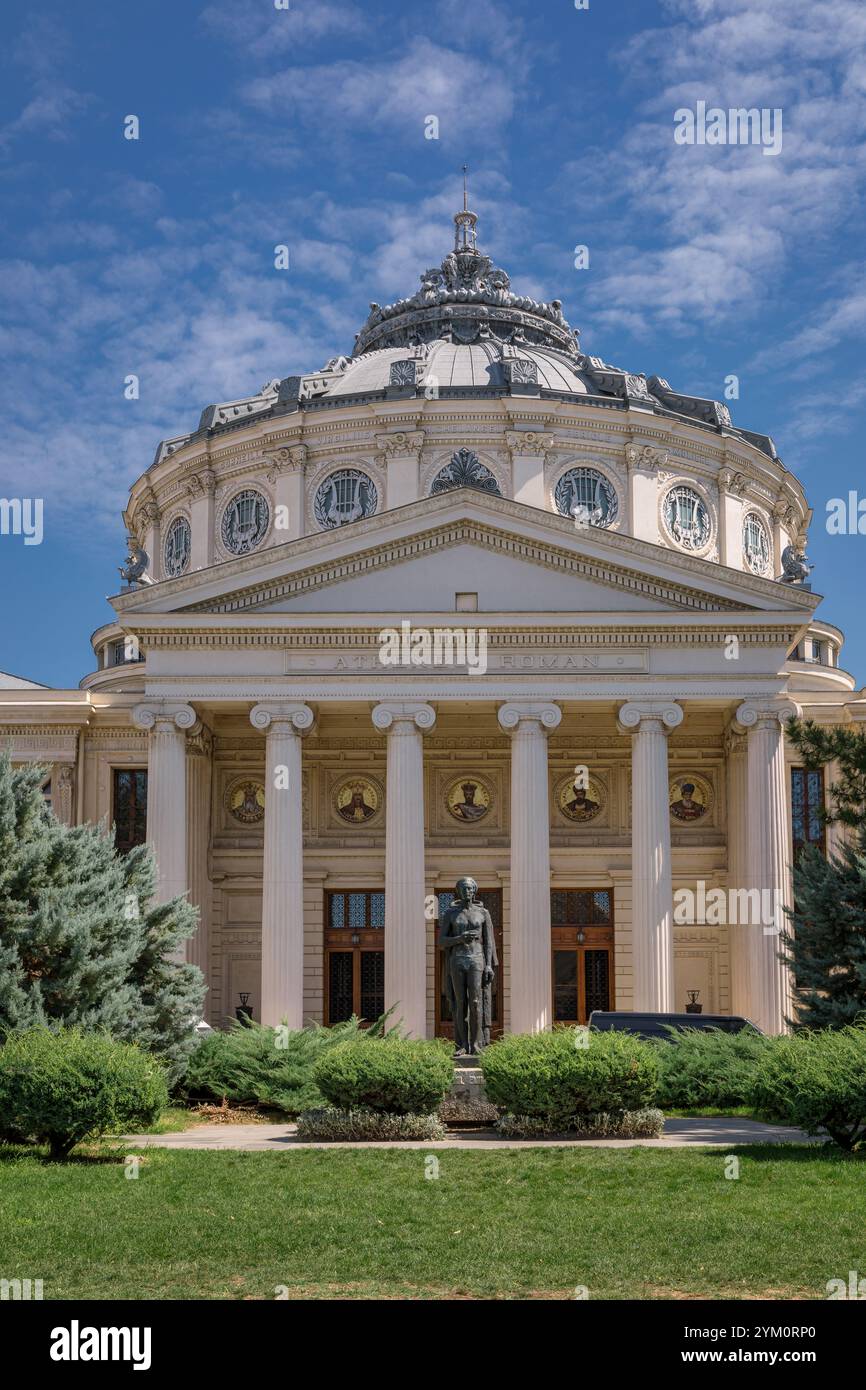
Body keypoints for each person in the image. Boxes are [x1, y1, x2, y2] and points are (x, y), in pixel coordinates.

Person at [438, 877, 497, 1055]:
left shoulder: (483, 913)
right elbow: (441, 941)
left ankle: (477, 1044)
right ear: (458, 891)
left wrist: (489, 965)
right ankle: (462, 1044)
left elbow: (489, 943)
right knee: (460, 1003)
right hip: (457, 960)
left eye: (470, 888)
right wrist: (460, 938)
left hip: (477, 959)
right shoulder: (451, 913)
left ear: (474, 891)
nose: (467, 891)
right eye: (464, 888)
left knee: (476, 1002)